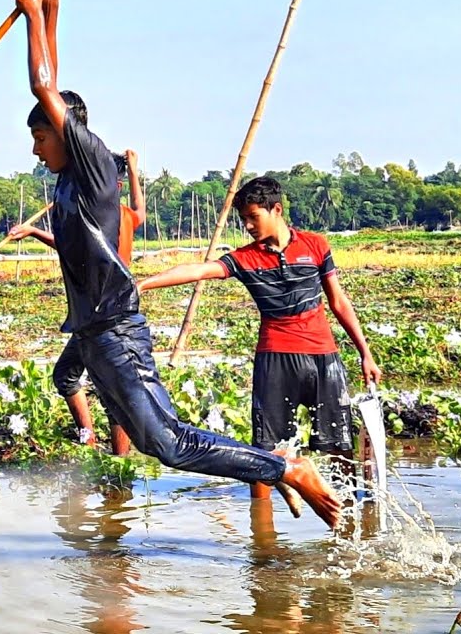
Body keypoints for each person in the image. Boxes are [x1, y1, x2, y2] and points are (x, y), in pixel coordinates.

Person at [11, 0, 341, 527]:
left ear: (67, 132)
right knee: (154, 442)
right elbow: (53, 88)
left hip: (116, 330)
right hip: (94, 334)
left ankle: (285, 469)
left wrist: (30, 17)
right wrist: (53, 3)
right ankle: (277, 466)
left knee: (170, 441)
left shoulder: (91, 163)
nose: (37, 148)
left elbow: (45, 85)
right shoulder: (68, 178)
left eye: (41, 136)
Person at [138, 176, 383, 515]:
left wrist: (365, 354)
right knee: (265, 449)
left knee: (339, 444)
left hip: (324, 358)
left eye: (254, 216)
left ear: (276, 210)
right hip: (275, 359)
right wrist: (143, 285)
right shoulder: (245, 258)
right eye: (244, 220)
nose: (248, 226)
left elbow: (339, 302)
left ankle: (351, 515)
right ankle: (263, 533)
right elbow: (199, 270)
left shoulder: (315, 246)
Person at [11, 149, 143, 456]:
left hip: (101, 313)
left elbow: (68, 245)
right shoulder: (122, 214)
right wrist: (134, 171)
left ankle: (104, 449)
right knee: (93, 381)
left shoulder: (103, 218)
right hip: (108, 311)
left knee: (84, 380)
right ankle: (104, 449)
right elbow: (141, 209)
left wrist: (33, 232)